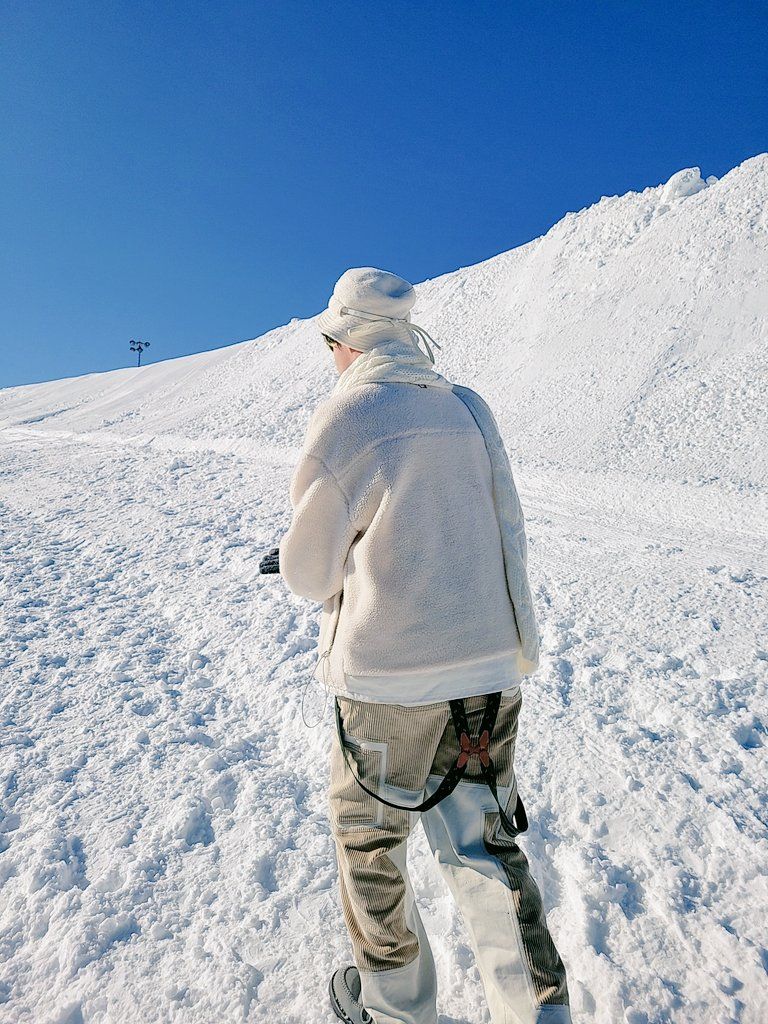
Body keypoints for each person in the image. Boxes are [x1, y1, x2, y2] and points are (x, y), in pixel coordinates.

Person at [263, 268, 571, 1024]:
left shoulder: (351, 414)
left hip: (386, 687)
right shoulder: (468, 409)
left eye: (330, 342)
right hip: (488, 675)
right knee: (484, 849)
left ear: (346, 341)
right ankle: (536, 1011)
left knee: (372, 848)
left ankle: (397, 1006)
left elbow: (308, 574)